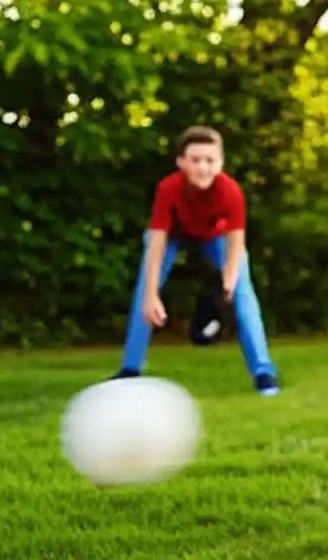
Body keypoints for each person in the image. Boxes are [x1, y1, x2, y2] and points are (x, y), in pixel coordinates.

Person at [112, 126, 281, 397]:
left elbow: (237, 243)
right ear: (181, 162)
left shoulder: (231, 192)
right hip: (174, 236)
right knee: (146, 290)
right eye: (195, 160)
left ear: (221, 163)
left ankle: (263, 371)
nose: (203, 167)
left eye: (210, 160)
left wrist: (228, 281)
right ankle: (130, 368)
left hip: (215, 237)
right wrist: (151, 295)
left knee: (243, 292)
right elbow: (156, 244)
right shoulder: (168, 188)